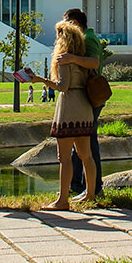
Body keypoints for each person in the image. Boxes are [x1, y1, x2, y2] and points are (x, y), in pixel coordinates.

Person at [32, 20, 96, 210]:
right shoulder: (82, 58)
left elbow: (62, 86)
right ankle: (91, 194)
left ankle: (62, 200)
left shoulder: (64, 59)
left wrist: (40, 80)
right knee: (86, 155)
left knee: (64, 157)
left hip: (69, 107)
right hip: (84, 106)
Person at [60, 8, 105, 199]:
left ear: (76, 23)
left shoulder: (88, 39)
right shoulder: (81, 39)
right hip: (81, 97)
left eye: (67, 23)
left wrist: (71, 58)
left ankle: (94, 188)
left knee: (88, 142)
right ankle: (76, 185)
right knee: (79, 141)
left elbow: (94, 63)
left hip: (88, 95)